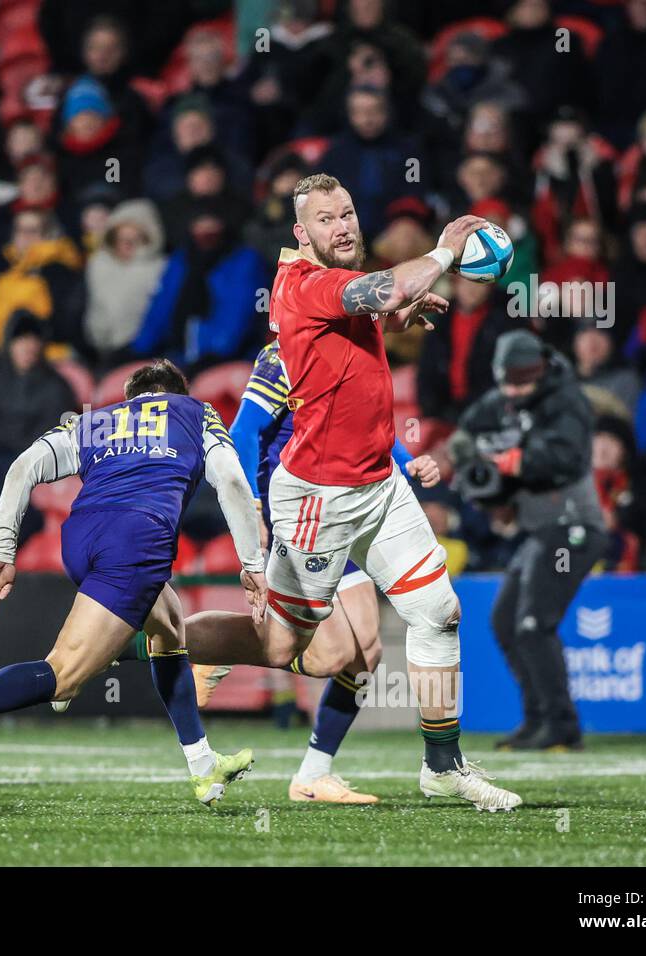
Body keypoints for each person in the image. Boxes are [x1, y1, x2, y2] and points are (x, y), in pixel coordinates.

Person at [178, 173, 522, 811]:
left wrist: (396, 318)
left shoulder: (340, 293)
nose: (343, 226)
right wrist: (445, 250)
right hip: (318, 498)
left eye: (348, 213)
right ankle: (162, 633)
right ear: (300, 234)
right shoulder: (304, 284)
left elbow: (361, 326)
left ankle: (442, 764)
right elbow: (379, 289)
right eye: (326, 219)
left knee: (438, 612)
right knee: (286, 646)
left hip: (378, 484)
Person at [0, 360, 265, 807]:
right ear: (176, 393)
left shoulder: (96, 420)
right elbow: (231, 480)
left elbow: (22, 467)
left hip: (79, 540)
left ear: (132, 398)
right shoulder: (193, 412)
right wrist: (252, 563)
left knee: (168, 625)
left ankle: (203, 765)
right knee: (63, 676)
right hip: (136, 539)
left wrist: (4, 552)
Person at [192, 338, 442, 804]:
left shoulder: (356, 349)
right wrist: (255, 510)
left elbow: (371, 434)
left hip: (347, 507)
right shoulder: (287, 350)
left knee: (366, 654)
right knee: (330, 658)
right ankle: (213, 646)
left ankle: (312, 774)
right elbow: (245, 431)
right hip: (301, 512)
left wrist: (407, 466)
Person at [451, 330, 606, 752]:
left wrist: (515, 460)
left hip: (574, 527)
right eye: (508, 383)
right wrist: (470, 458)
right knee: (506, 623)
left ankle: (562, 726)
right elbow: (465, 432)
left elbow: (568, 458)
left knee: (535, 624)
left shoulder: (565, 399)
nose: (513, 392)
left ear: (538, 374)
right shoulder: (504, 397)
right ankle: (537, 719)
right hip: (540, 529)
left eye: (522, 384)